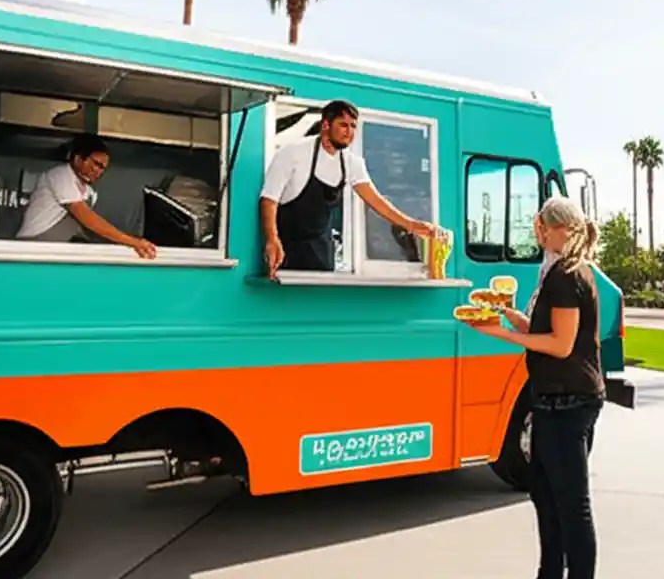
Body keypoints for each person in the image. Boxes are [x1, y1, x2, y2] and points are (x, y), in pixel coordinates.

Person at [461, 196, 605, 579]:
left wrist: (503, 335)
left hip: (569, 400)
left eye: (540, 224)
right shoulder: (556, 271)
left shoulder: (568, 275)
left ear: (559, 228)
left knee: (571, 503)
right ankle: (549, 571)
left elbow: (561, 344)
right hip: (551, 398)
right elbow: (547, 331)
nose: (536, 231)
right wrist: (511, 318)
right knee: (544, 493)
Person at [259, 99, 435, 275]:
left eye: (353, 126)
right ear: (326, 125)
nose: (349, 132)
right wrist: (272, 239)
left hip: (322, 255)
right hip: (285, 253)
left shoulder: (351, 163)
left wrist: (411, 225)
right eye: (343, 125)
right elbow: (269, 200)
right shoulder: (293, 153)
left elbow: (376, 201)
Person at [15, 133, 157, 259]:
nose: (99, 171)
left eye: (103, 168)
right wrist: (133, 242)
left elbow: (88, 229)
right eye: (97, 164)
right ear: (78, 159)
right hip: (30, 247)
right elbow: (87, 218)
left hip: (51, 251)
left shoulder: (88, 192)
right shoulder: (61, 175)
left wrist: (121, 245)